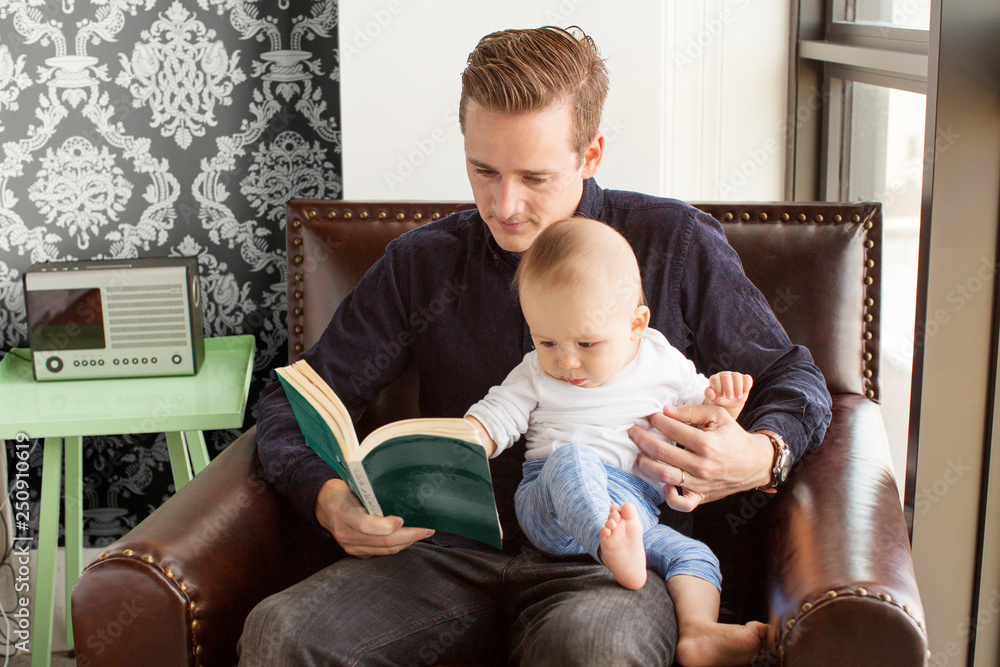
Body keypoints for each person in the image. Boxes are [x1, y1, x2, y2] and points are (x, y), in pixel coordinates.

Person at [242, 25, 832, 666]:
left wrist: (758, 456)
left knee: (597, 651)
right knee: (282, 634)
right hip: (439, 559)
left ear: (592, 153)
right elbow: (291, 403)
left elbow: (795, 381)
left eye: (535, 176)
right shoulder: (424, 263)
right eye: (483, 170)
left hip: (608, 559)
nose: (505, 204)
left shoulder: (675, 243)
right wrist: (329, 500)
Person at [464, 217, 768, 666]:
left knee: (693, 553)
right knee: (572, 459)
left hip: (633, 509)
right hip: (549, 502)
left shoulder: (664, 363)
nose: (566, 361)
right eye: (546, 340)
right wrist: (469, 437)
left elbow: (705, 419)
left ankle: (699, 631)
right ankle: (612, 550)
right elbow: (498, 415)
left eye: (587, 343)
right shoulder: (534, 371)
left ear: (636, 325)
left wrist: (725, 405)